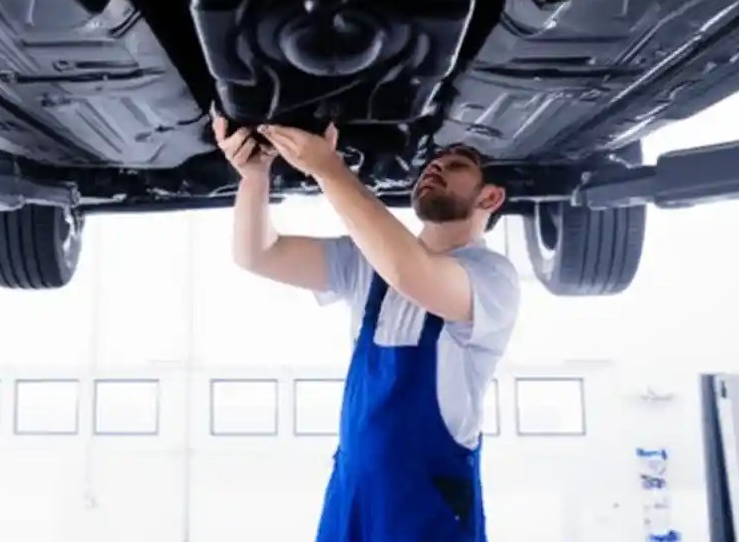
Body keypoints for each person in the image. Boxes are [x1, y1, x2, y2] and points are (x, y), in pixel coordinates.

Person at [212, 111, 521, 542]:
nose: (435, 167)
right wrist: (254, 176)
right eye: (432, 163)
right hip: (351, 496)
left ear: (489, 198)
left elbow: (410, 272)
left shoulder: (491, 277)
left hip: (425, 507)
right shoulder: (368, 265)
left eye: (456, 166)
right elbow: (259, 254)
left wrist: (330, 170)